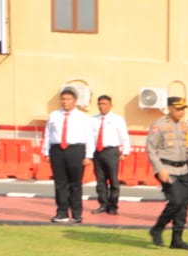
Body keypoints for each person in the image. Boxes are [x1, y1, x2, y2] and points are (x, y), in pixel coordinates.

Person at [146, 97, 188, 249]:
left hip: (183, 169)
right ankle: (158, 228)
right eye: (178, 109)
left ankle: (177, 239)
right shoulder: (159, 125)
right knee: (176, 201)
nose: (181, 112)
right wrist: (159, 170)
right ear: (170, 108)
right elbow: (151, 150)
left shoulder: (185, 127)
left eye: (183, 109)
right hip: (167, 168)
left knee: (184, 203)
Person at [43, 86, 94, 223]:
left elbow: (90, 136)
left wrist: (88, 155)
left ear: (75, 101)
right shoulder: (54, 115)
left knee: (75, 183)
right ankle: (62, 213)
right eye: (63, 99)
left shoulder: (83, 117)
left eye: (68, 99)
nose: (65, 102)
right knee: (60, 183)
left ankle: (77, 214)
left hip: (76, 150)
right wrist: (46, 151)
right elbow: (48, 134)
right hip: (57, 150)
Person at [90, 94, 130, 216]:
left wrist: (125, 151)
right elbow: (90, 137)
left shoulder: (118, 119)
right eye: (100, 104)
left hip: (111, 151)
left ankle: (113, 206)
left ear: (110, 105)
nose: (102, 106)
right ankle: (103, 204)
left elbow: (124, 136)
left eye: (104, 104)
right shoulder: (92, 119)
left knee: (113, 180)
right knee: (100, 180)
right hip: (97, 152)